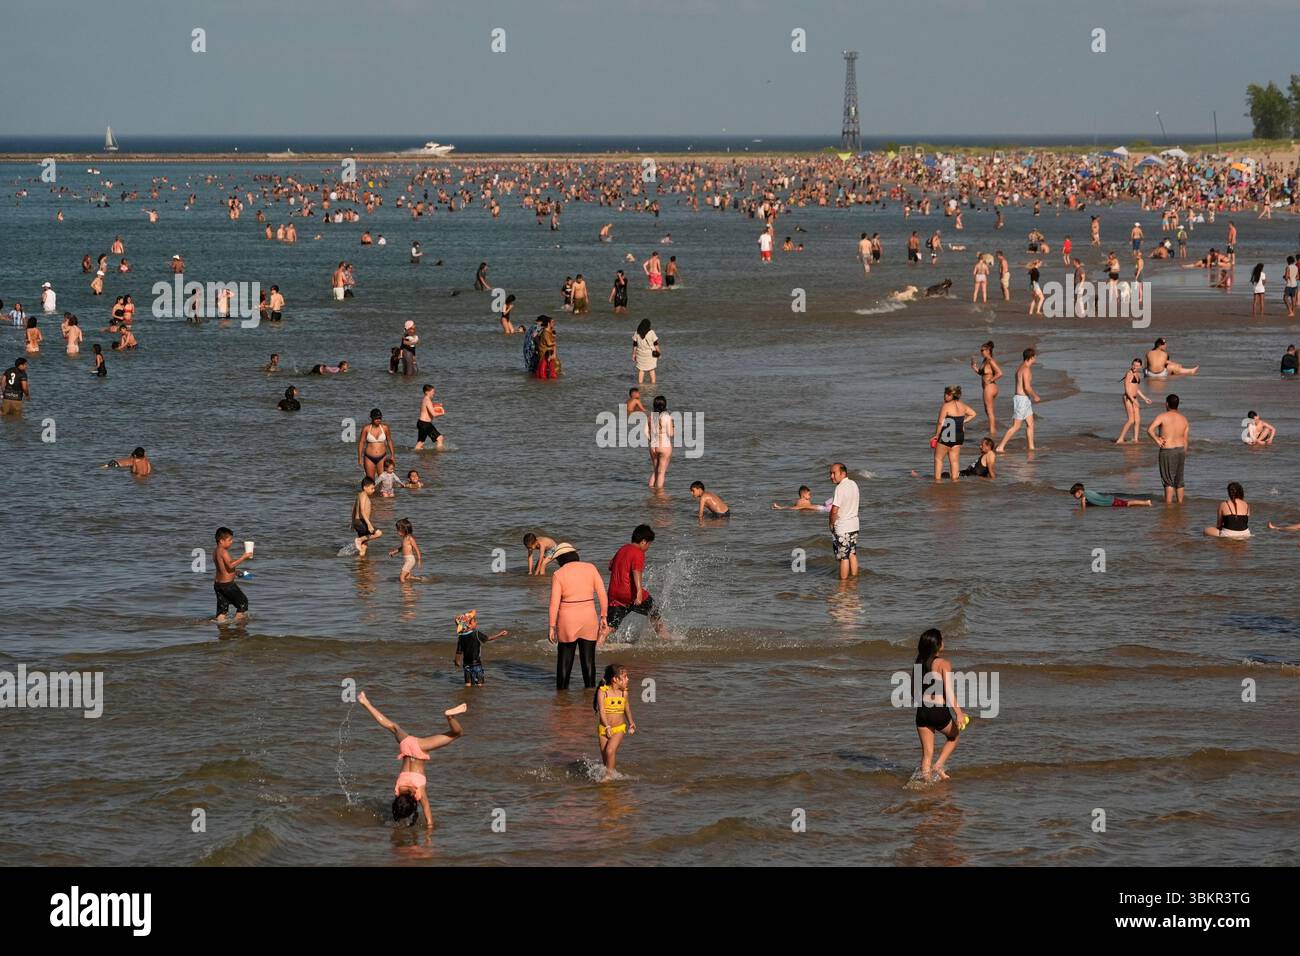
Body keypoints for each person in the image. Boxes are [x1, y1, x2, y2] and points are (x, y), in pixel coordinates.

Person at [355, 691, 466, 830]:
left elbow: (427, 811)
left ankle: (449, 717)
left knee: (457, 733)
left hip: (420, 748)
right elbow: (401, 802)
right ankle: (365, 702)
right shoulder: (398, 789)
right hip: (406, 745)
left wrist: (429, 834)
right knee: (393, 726)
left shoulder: (418, 790)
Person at [548, 543, 609, 690]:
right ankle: (590, 691)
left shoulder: (558, 574)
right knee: (588, 659)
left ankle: (562, 693)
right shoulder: (590, 568)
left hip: (567, 618)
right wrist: (604, 616)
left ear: (561, 559)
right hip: (588, 616)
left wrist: (551, 626)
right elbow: (602, 594)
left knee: (565, 659)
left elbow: (554, 603)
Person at [913, 628, 966, 783]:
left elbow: (913, 692)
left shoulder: (919, 663)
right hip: (938, 711)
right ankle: (938, 766)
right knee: (954, 736)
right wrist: (959, 712)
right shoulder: (944, 663)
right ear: (938, 645)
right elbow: (949, 692)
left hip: (922, 711)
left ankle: (926, 787)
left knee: (927, 754)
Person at [606, 525, 666, 637]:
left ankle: (598, 644)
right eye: (649, 544)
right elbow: (636, 571)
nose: (648, 547)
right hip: (630, 593)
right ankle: (665, 637)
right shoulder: (638, 552)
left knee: (611, 626)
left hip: (614, 595)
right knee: (655, 612)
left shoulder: (622, 549)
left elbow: (610, 566)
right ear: (644, 541)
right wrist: (638, 592)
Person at [595, 663, 636, 779]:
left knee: (610, 750)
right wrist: (607, 727)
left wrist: (631, 723)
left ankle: (609, 778)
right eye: (625, 677)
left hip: (619, 729)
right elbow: (602, 710)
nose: (627, 679)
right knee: (605, 759)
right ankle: (610, 781)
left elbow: (626, 708)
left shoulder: (624, 693)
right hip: (604, 729)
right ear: (615, 679)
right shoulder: (603, 691)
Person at [996, 348, 1039, 453]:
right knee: (1016, 426)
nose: (1036, 358)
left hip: (1024, 399)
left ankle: (1031, 447)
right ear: (1031, 357)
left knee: (1030, 423)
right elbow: (1027, 387)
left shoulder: (1020, 367)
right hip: (1022, 400)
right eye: (1035, 356)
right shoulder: (1026, 369)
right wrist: (1035, 396)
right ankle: (1000, 447)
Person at [1148, 394, 1189, 504]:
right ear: (1177, 405)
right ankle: (1180, 504)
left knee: (1168, 481)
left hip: (1167, 451)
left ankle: (1168, 505)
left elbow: (1150, 429)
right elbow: (1185, 440)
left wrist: (1157, 440)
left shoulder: (1162, 416)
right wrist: (1184, 453)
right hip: (1181, 450)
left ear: (1166, 404)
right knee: (1179, 480)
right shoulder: (1184, 419)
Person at [932, 386, 978, 481]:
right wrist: (963, 422)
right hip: (959, 435)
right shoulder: (962, 405)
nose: (944, 396)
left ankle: (937, 482)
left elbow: (940, 422)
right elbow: (973, 414)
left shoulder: (946, 406)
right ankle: (955, 481)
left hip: (947, 434)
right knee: (954, 461)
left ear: (950, 395)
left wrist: (936, 436)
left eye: (946, 394)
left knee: (938, 459)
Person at [452, 610, 509, 687]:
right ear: (468, 625)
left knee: (468, 684)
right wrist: (500, 635)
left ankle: (467, 696)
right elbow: (488, 638)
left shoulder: (461, 637)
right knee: (480, 683)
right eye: (474, 622)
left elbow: (459, 651)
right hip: (476, 663)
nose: (476, 623)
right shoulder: (477, 633)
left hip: (466, 664)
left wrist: (457, 661)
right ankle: (479, 696)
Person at [212, 527, 253, 622]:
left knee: (222, 609)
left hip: (218, 584)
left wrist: (236, 572)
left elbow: (223, 568)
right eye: (229, 540)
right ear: (221, 541)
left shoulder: (216, 551)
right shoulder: (224, 552)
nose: (232, 542)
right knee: (243, 602)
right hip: (227, 585)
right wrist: (244, 557)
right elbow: (230, 565)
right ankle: (239, 626)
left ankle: (222, 627)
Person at [829, 462, 859, 580]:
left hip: (843, 527)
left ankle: (843, 585)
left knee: (843, 557)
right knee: (852, 553)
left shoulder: (840, 488)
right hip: (854, 526)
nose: (831, 476)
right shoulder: (854, 484)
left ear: (843, 473)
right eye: (830, 473)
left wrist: (831, 523)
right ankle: (854, 580)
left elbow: (834, 509)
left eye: (834, 473)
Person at [1117, 358, 1153, 443]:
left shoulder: (1137, 374)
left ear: (1140, 366)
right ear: (1131, 365)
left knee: (1137, 420)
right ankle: (1120, 439)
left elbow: (1136, 389)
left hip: (1134, 398)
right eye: (1133, 365)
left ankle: (1135, 439)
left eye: (1137, 366)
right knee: (1131, 420)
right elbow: (1127, 390)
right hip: (1128, 398)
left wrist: (1145, 398)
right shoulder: (1129, 374)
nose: (1134, 367)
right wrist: (1133, 400)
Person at [970, 342, 1002, 436]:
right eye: (981, 350)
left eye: (982, 350)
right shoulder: (985, 360)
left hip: (990, 387)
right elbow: (982, 373)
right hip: (987, 387)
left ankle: (992, 431)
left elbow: (999, 373)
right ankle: (992, 428)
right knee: (987, 410)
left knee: (989, 410)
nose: (981, 352)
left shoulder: (990, 360)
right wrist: (974, 367)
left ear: (988, 351)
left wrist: (991, 380)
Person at [357, 408, 395, 480]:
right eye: (376, 418)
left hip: (382, 457)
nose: (378, 420)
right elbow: (361, 443)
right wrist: (360, 457)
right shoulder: (366, 428)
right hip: (369, 457)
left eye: (380, 418)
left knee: (383, 479)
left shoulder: (385, 428)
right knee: (370, 480)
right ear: (371, 418)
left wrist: (392, 455)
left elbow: (389, 441)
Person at [647, 394, 673, 488]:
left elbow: (646, 432)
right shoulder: (667, 417)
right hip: (664, 445)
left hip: (653, 446)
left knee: (655, 470)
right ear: (664, 405)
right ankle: (659, 494)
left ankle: (650, 488)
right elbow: (670, 433)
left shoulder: (651, 417)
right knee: (661, 472)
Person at [351, 477, 382, 555]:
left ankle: (361, 563)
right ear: (365, 487)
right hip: (361, 522)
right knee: (378, 533)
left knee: (364, 546)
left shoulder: (359, 495)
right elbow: (362, 510)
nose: (373, 490)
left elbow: (354, 509)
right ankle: (359, 540)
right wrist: (369, 525)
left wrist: (352, 522)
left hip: (358, 522)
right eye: (372, 488)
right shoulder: (363, 495)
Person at [1068, 483, 1152, 509]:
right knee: (1127, 504)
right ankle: (1145, 503)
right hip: (1109, 498)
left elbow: (1083, 508)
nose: (1074, 496)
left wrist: (1081, 510)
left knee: (1128, 504)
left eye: (1074, 494)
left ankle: (1146, 502)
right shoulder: (1087, 492)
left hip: (1110, 501)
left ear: (1079, 492)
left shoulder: (1083, 497)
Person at [414, 385, 445, 450]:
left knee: (420, 443)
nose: (434, 393)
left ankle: (416, 455)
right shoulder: (427, 400)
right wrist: (442, 413)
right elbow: (433, 414)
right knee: (440, 438)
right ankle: (439, 454)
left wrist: (438, 406)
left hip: (422, 423)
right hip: (425, 424)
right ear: (427, 392)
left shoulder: (425, 399)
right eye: (433, 391)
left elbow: (428, 408)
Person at [632, 319, 660, 385]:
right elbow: (655, 343)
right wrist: (659, 352)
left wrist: (633, 354)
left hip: (640, 353)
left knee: (641, 370)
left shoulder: (637, 332)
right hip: (650, 354)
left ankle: (640, 385)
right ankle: (653, 385)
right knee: (651, 370)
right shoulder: (651, 332)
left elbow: (635, 344)